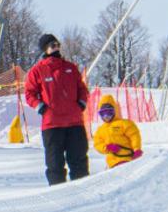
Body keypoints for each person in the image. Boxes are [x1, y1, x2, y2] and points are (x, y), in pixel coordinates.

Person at [22, 32, 91, 184]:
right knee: (54, 164)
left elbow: (82, 89)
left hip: (74, 123)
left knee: (79, 161)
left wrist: (81, 103)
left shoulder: (71, 68)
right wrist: (40, 107)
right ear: (45, 49)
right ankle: (58, 193)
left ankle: (84, 192)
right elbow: (29, 94)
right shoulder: (37, 70)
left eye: (57, 44)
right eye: (52, 45)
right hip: (52, 124)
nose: (56, 47)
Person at [91, 94, 143, 168]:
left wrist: (137, 149)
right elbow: (97, 143)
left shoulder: (124, 123)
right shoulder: (100, 130)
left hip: (127, 159)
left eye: (109, 113)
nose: (106, 116)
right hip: (111, 163)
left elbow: (134, 136)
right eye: (103, 114)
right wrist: (106, 148)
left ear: (115, 111)